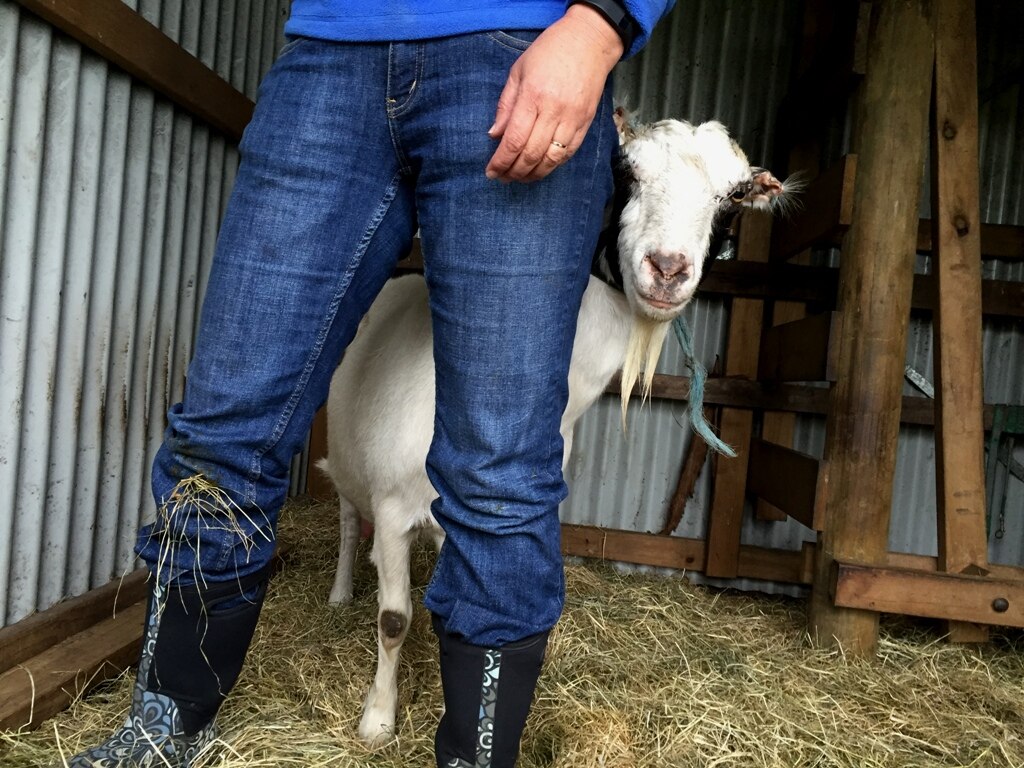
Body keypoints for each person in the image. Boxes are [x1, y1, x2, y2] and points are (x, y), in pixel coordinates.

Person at [64, 1, 673, 766]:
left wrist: (602, 24)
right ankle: (161, 733)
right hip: (330, 50)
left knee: (500, 465)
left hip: (524, 46)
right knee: (223, 430)